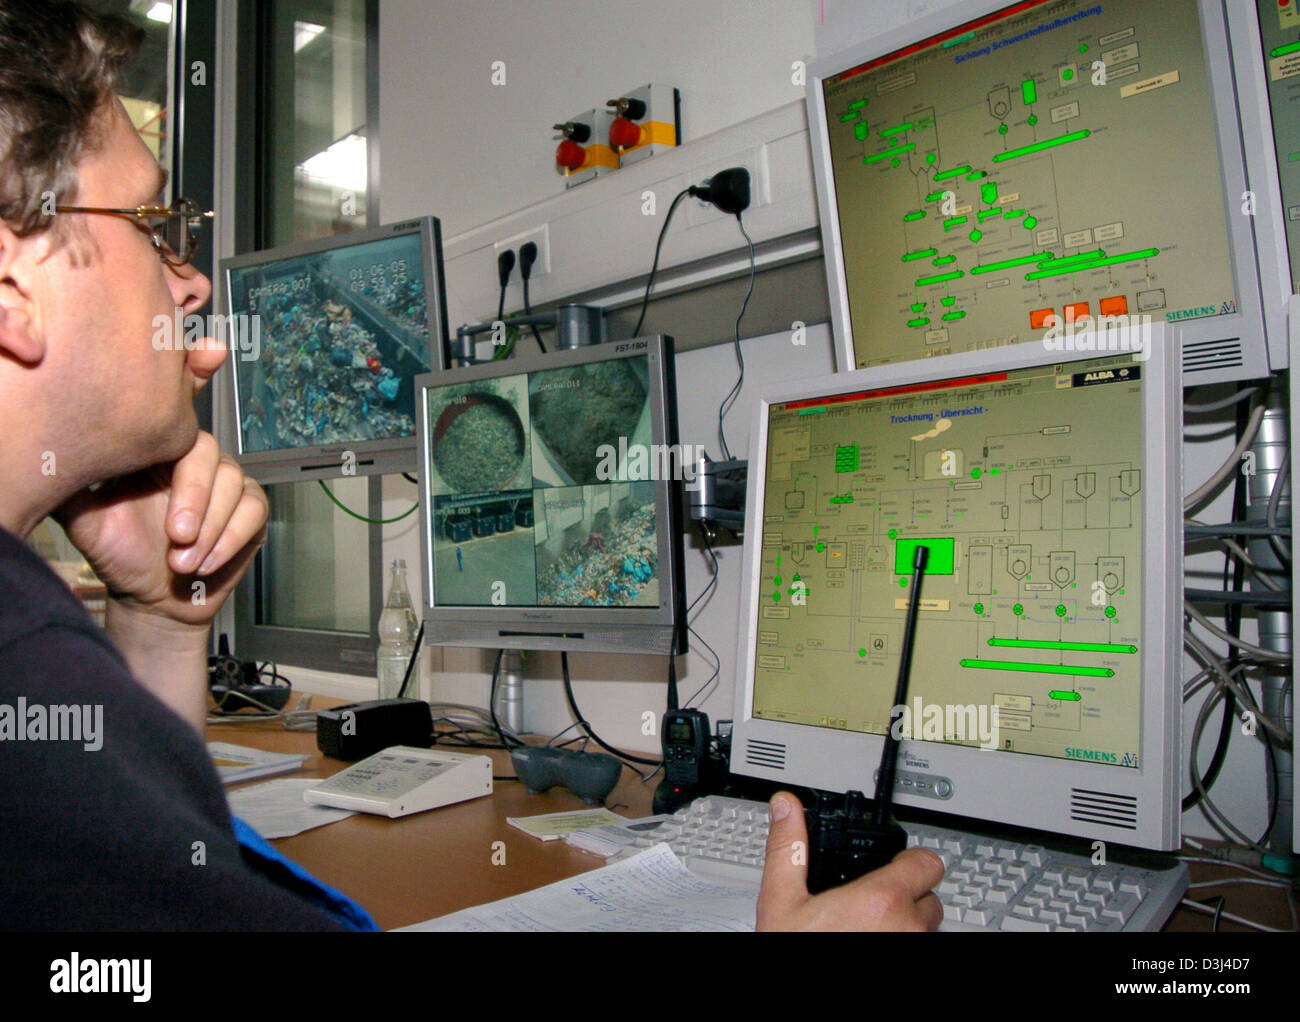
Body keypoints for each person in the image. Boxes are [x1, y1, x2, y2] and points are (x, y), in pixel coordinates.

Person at [0, 0, 943, 931]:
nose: (191, 279)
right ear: (14, 292)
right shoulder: (24, 662)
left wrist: (160, 625)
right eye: (154, 225)